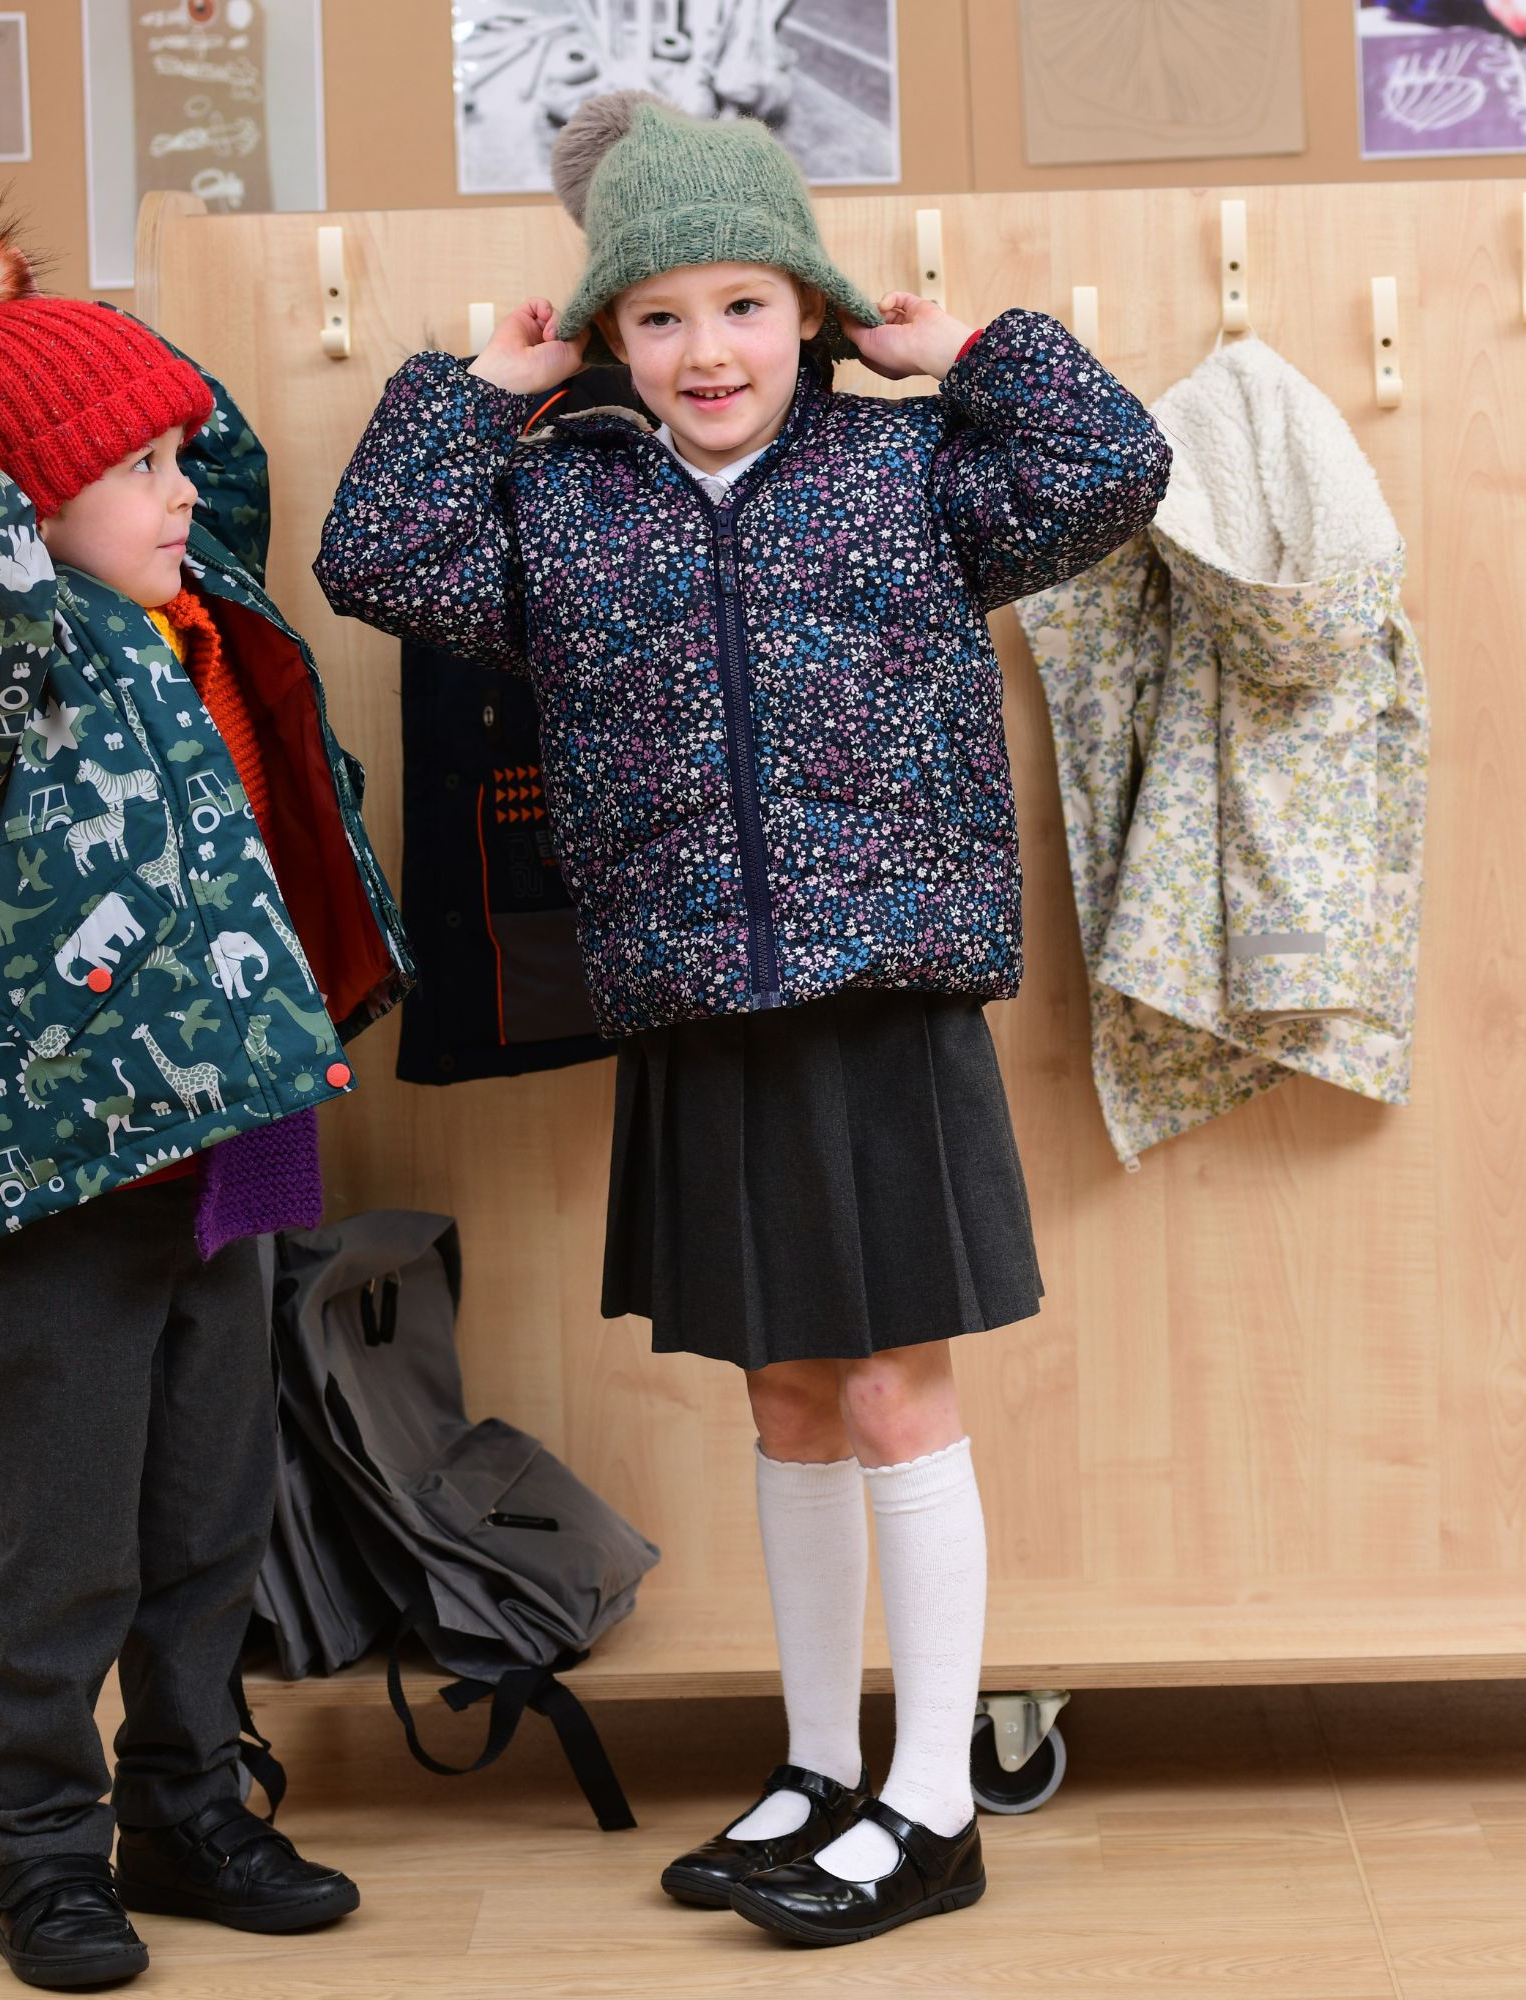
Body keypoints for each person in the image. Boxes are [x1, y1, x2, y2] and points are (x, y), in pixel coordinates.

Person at [315, 93, 1170, 1946]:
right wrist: (474, 387)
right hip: (696, 991)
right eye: (662, 316)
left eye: (747, 306)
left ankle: (931, 1804)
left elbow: (1111, 469)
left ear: (813, 310)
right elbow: (375, 560)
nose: (709, 350)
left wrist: (974, 352)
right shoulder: (561, 502)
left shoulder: (915, 470)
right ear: (608, 334)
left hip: (880, 989)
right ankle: (814, 1767)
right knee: (782, 1395)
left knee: (885, 1386)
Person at [0, 198, 414, 1990]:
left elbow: (224, 445)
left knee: (211, 1511)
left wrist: (25, 330)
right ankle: (39, 1853)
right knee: (69, 1540)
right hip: (67, 1159)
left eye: (171, 458)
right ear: (21, 502)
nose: (182, 490)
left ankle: (187, 1803)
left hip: (239, 1111)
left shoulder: (181, 602)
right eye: (136, 467)